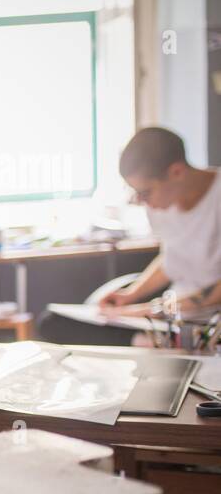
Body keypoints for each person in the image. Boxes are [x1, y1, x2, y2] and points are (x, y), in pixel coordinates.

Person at [39, 126, 221, 345]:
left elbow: (215, 293)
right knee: (52, 323)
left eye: (145, 192)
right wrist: (130, 296)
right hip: (172, 316)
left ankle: (154, 343)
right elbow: (173, 258)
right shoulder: (159, 206)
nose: (142, 201)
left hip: (210, 320)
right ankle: (150, 342)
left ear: (177, 172)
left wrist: (147, 310)